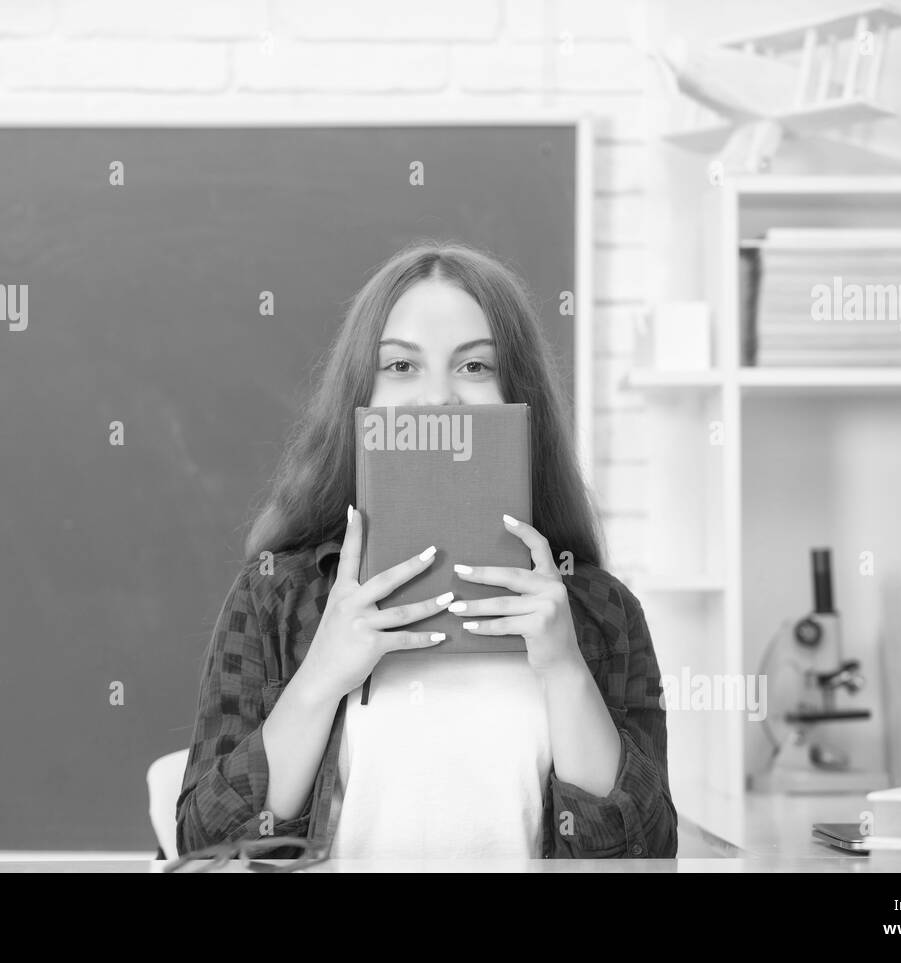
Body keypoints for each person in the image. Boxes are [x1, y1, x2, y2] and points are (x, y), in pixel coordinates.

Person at [176, 240, 677, 862]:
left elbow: (650, 855)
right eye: (401, 367)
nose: (438, 399)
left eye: (474, 368)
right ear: (362, 399)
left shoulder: (602, 612)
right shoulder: (274, 596)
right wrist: (320, 679)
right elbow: (205, 848)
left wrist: (566, 670)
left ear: (518, 400)